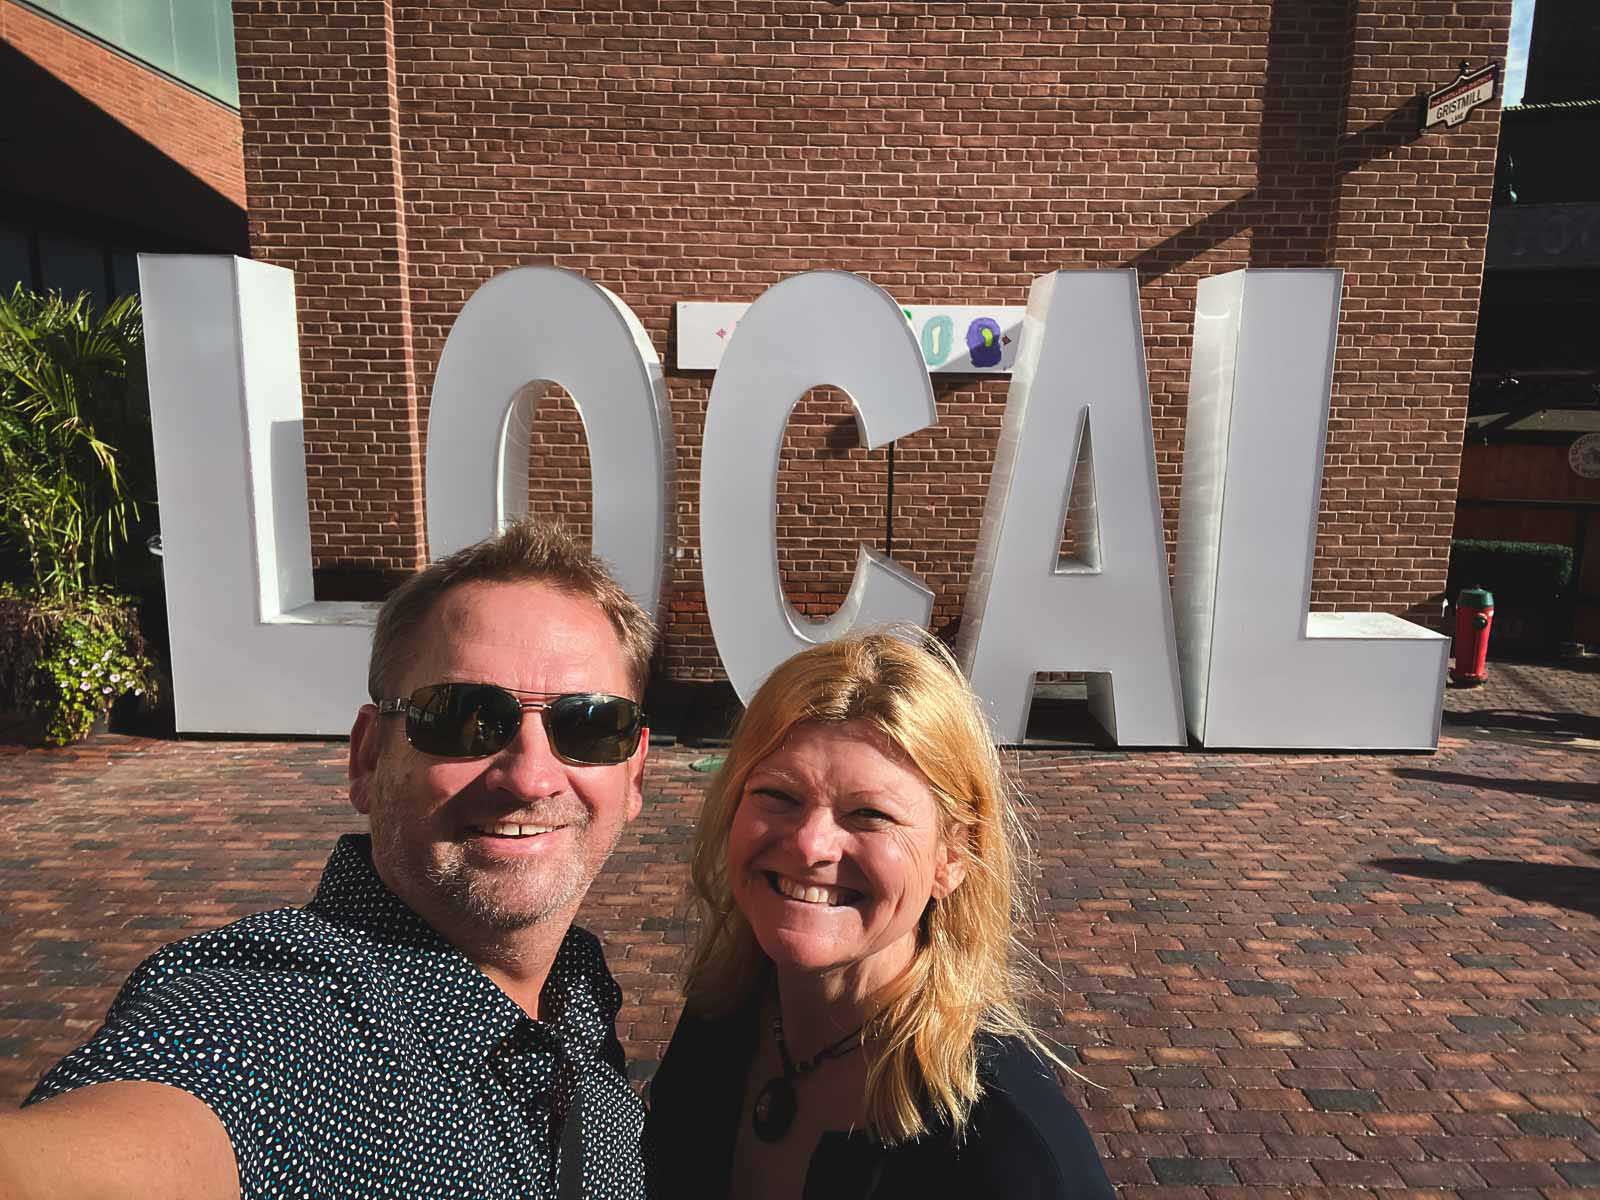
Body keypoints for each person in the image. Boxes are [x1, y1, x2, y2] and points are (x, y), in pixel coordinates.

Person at [0, 520, 655, 1200]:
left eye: (586, 724)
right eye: (464, 717)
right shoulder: (279, 1019)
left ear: (634, 775)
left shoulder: (578, 995)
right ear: (369, 757)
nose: (530, 778)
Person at [643, 631, 1115, 1200]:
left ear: (954, 857)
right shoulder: (724, 1015)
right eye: (778, 796)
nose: (811, 844)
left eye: (868, 813)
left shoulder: (1007, 1148)